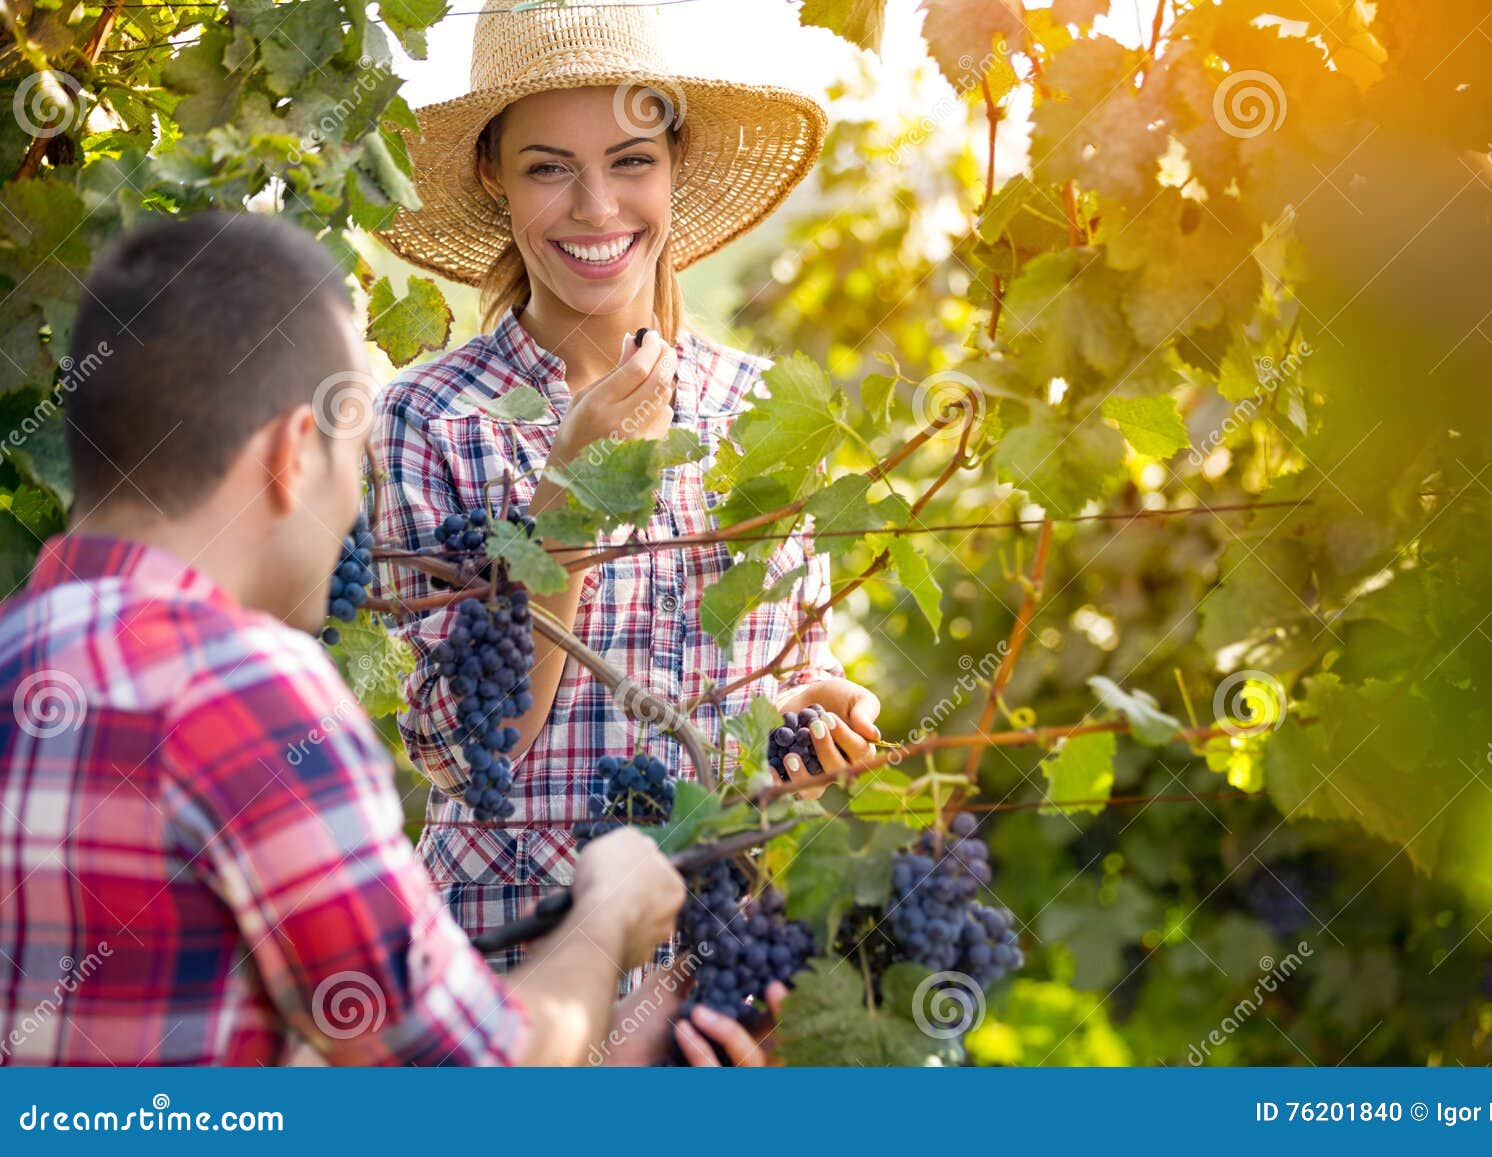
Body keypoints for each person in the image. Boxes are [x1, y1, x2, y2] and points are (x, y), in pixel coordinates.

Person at [0, 212, 684, 1066]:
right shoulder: (243, 692)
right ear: (291, 454)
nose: (355, 512)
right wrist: (606, 917)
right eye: (349, 457)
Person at [369, 0, 884, 1042]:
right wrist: (569, 491)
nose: (595, 207)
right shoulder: (433, 417)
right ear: (492, 179)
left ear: (676, 161)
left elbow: (775, 702)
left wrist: (815, 721)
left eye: (632, 158)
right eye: (548, 166)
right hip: (505, 987)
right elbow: (468, 751)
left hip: (714, 988)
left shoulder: (759, 409)